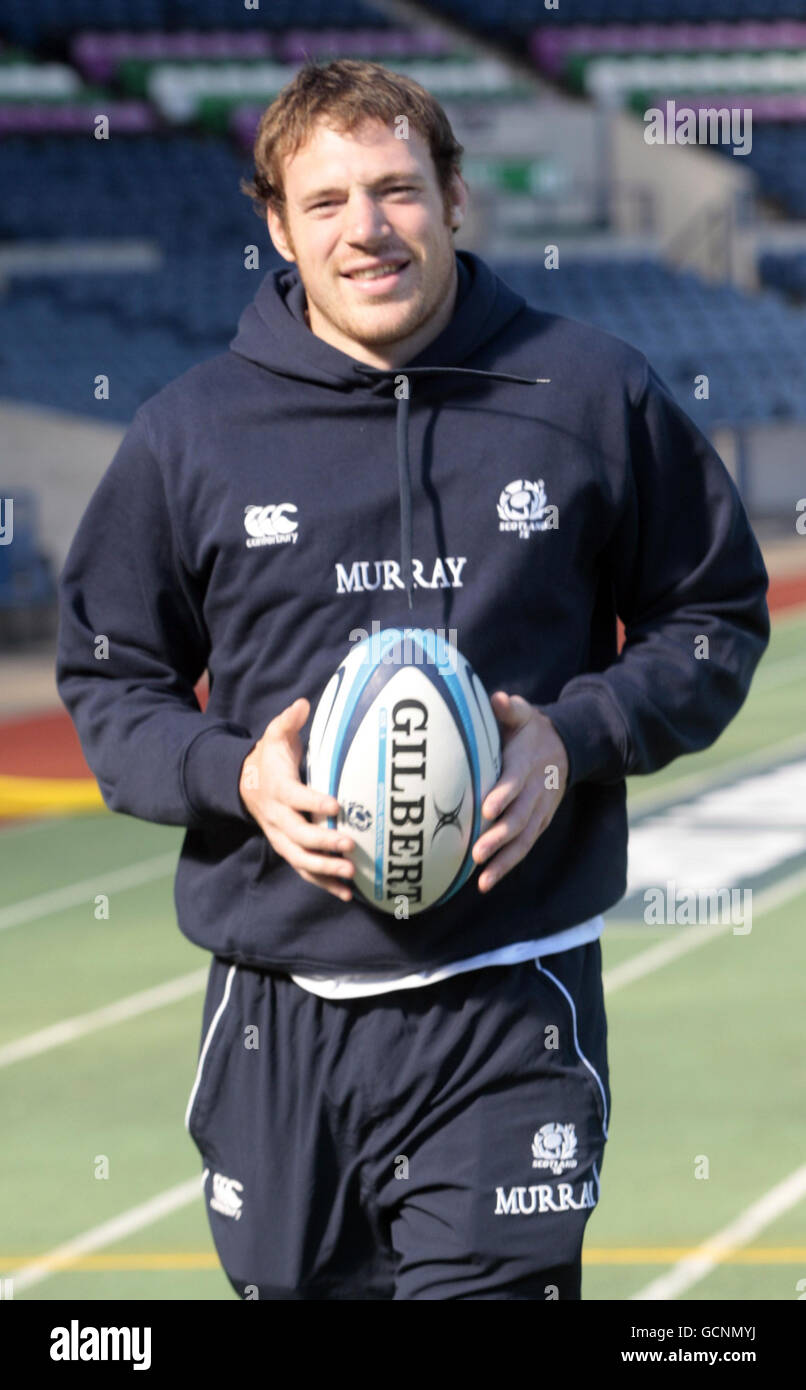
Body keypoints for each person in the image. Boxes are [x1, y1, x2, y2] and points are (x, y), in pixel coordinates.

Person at [56, 59, 770, 1300]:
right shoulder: (190, 432)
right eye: (324, 202)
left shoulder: (589, 392)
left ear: (452, 195)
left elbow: (708, 616)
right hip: (278, 1006)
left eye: (394, 190)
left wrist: (573, 734)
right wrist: (237, 779)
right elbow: (110, 681)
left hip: (509, 992)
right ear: (275, 225)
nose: (365, 230)